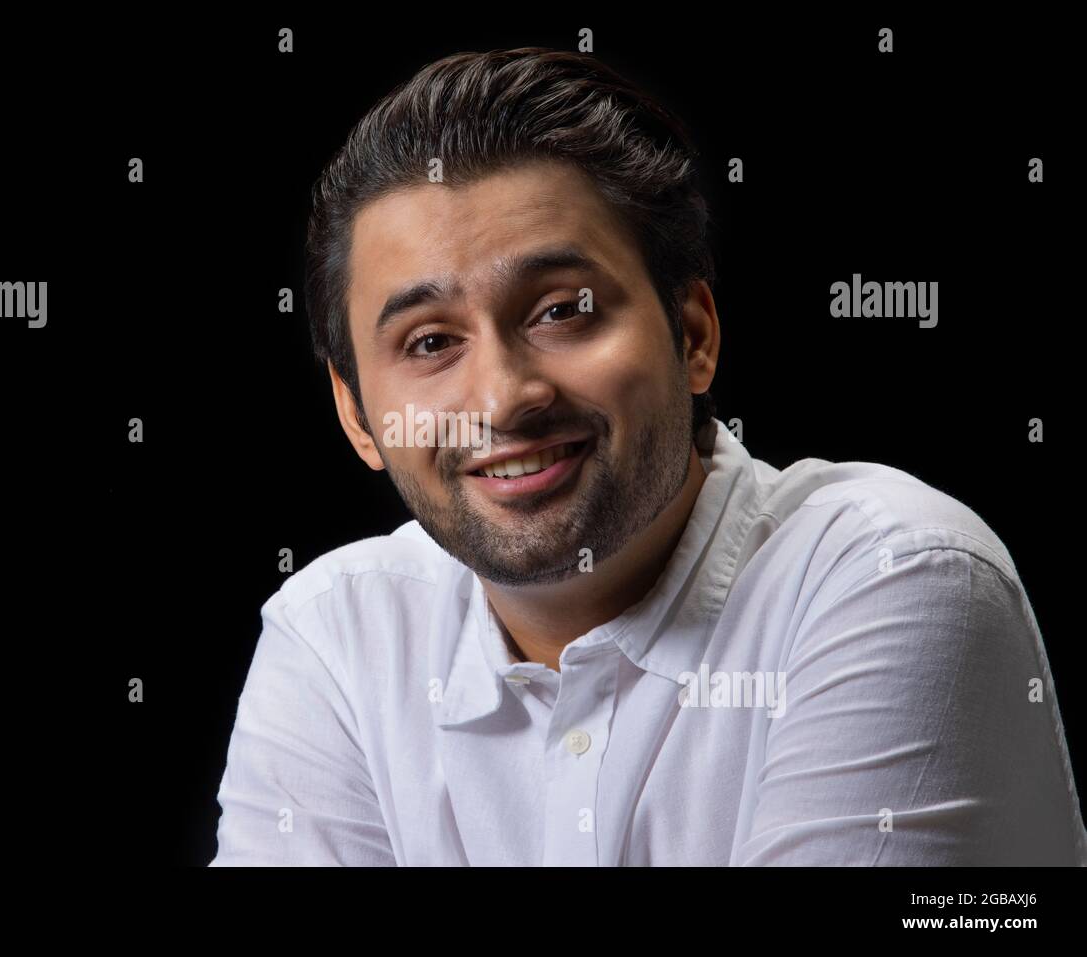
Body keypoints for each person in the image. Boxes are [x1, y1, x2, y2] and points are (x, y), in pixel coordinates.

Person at [211, 47, 1086, 865]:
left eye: (563, 310)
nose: (503, 396)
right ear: (356, 414)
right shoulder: (334, 636)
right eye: (431, 340)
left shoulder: (893, 572)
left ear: (694, 334)